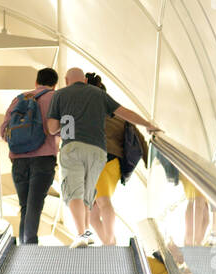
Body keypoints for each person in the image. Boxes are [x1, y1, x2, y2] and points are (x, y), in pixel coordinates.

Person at [46, 67, 159, 247]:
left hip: (76, 149)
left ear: (67, 80)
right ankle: (106, 240)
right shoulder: (101, 99)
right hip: (101, 155)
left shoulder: (61, 95)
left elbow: (52, 128)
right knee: (92, 202)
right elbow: (128, 116)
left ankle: (89, 237)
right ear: (83, 80)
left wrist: (67, 121)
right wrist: (148, 126)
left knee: (80, 194)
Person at [84, 72, 148, 245]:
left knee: (102, 203)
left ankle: (110, 242)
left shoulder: (84, 111)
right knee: (93, 209)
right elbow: (138, 137)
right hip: (112, 164)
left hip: (101, 161)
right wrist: (149, 162)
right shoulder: (118, 112)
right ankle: (109, 241)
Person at [0, 68, 59, 245]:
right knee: (34, 205)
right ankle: (29, 246)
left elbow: (4, 131)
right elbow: (63, 130)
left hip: (19, 160)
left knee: (25, 206)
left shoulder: (20, 99)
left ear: (36, 82)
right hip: (43, 159)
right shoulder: (55, 98)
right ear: (55, 85)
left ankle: (25, 246)